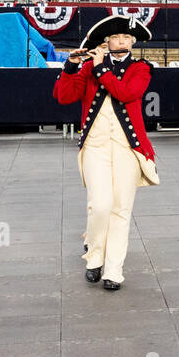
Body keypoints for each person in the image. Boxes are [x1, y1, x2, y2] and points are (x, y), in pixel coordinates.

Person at [54, 16, 158, 291]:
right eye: (116, 38)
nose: (121, 41)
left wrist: (100, 69)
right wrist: (72, 65)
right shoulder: (89, 66)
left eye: (126, 38)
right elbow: (64, 96)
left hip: (127, 146)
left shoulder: (142, 68)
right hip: (95, 144)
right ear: (106, 42)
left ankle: (114, 269)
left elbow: (126, 93)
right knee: (99, 204)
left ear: (132, 43)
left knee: (120, 208)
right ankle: (95, 256)